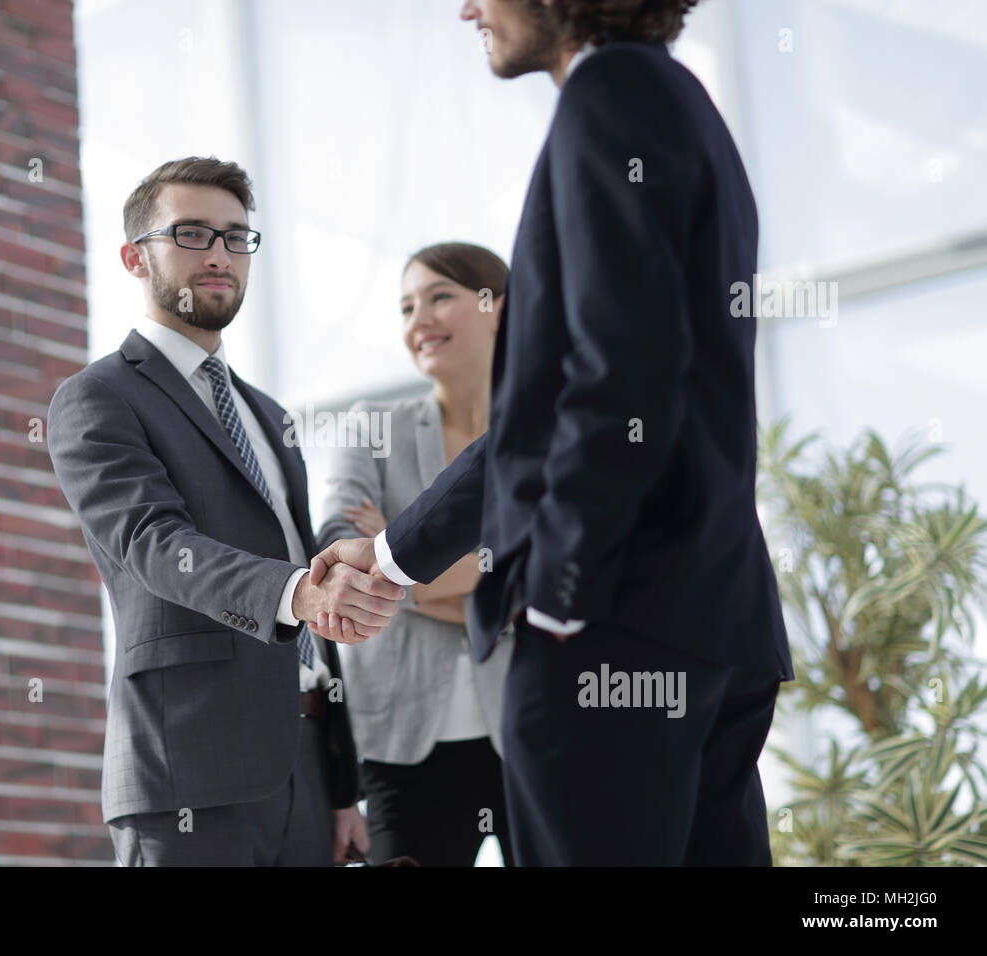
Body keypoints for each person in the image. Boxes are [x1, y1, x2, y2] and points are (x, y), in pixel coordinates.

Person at [310, 0, 794, 866]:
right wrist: (389, 558)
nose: (467, 8)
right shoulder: (676, 102)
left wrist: (562, 596)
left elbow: (618, 375)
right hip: (705, 614)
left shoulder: (607, 98)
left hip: (612, 621)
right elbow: (547, 415)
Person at [47, 156, 404, 865]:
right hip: (188, 771)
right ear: (133, 256)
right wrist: (298, 592)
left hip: (303, 772)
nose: (219, 255)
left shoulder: (268, 415)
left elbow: (311, 604)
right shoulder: (99, 398)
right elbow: (152, 543)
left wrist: (340, 787)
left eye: (236, 237)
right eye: (191, 234)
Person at [315, 242, 515, 866]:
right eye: (406, 307)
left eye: (440, 297)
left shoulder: (542, 438)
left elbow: (561, 579)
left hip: (531, 735)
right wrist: (498, 585)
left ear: (497, 309)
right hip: (403, 751)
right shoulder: (370, 429)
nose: (417, 321)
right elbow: (342, 562)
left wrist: (404, 562)